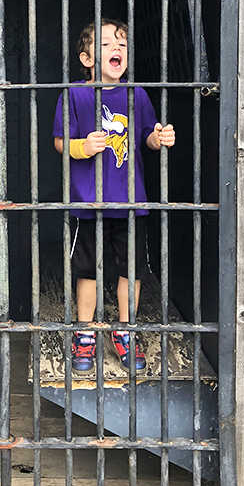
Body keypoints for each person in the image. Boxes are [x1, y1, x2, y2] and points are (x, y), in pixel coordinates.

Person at [53, 19, 176, 375]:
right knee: (88, 270)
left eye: (122, 44)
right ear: (87, 58)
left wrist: (160, 138)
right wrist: (82, 146)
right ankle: (86, 333)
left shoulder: (136, 94)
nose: (117, 49)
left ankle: (125, 330)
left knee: (130, 269)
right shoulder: (73, 94)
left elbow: (147, 137)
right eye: (107, 44)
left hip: (130, 201)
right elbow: (60, 142)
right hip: (89, 201)